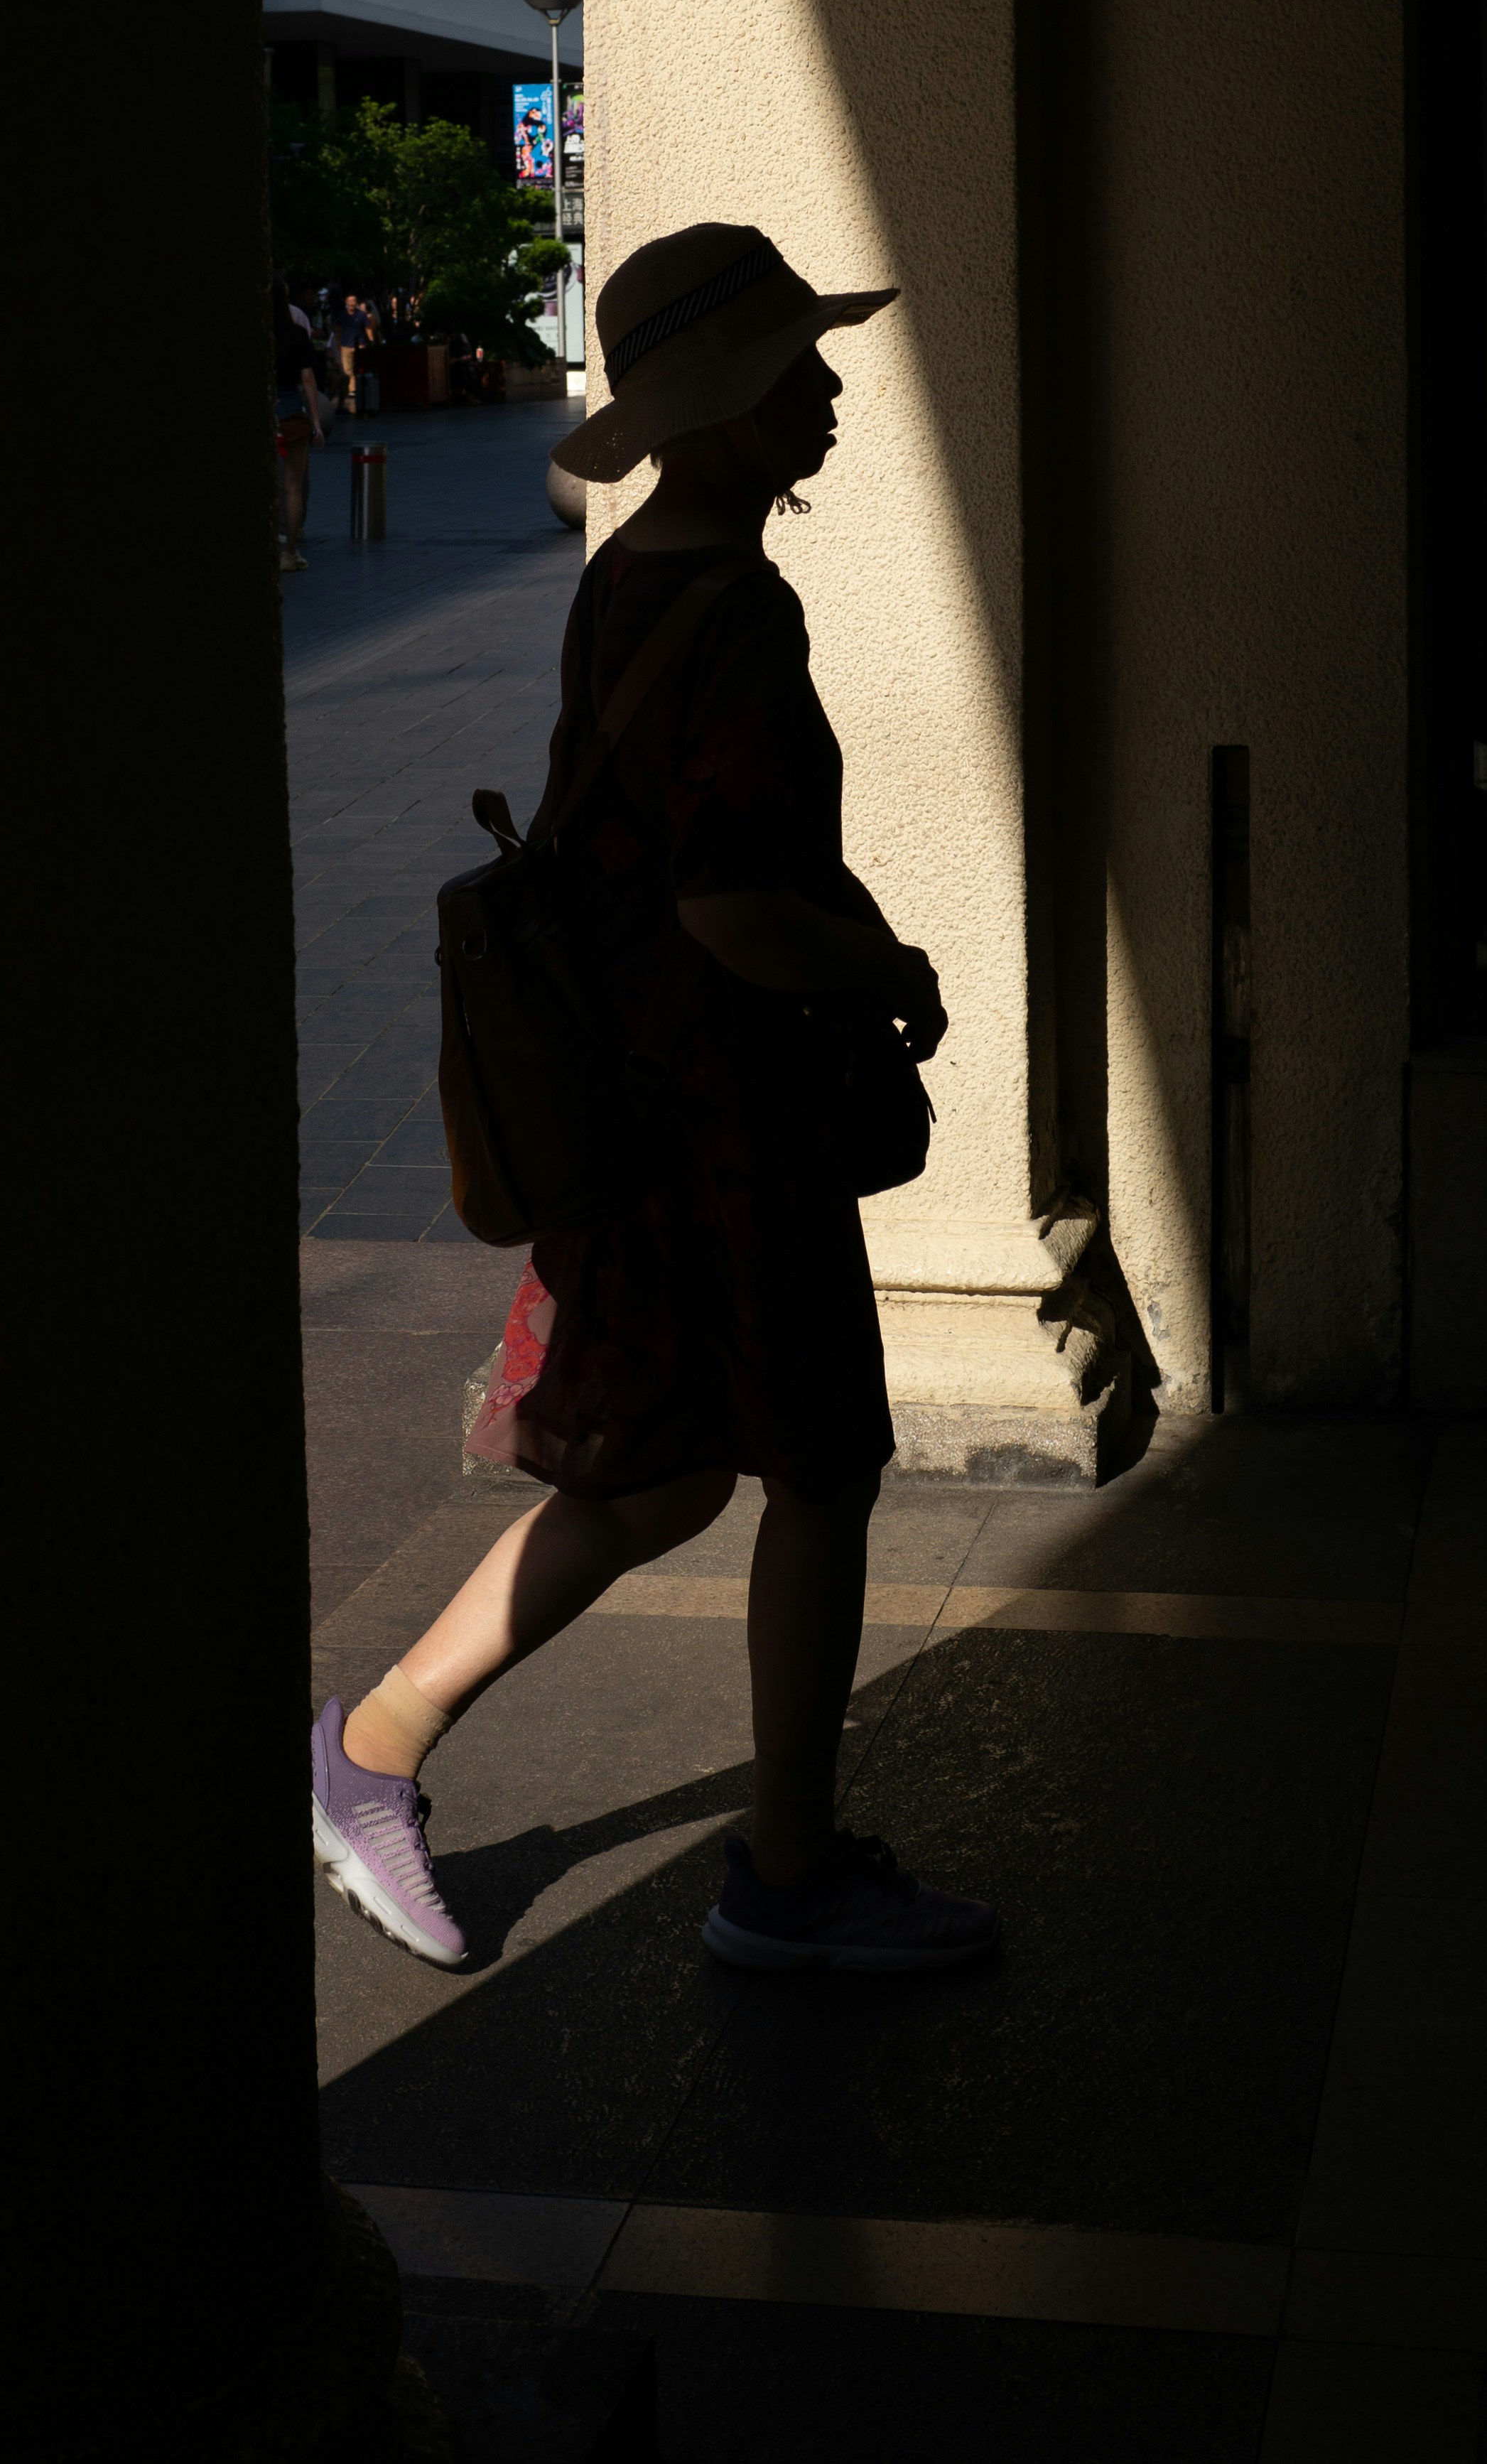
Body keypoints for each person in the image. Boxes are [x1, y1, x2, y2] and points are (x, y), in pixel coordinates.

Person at [309, 220, 998, 1974]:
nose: (831, 391)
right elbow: (727, 902)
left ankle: (371, 1745)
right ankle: (783, 1873)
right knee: (819, 1469)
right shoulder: (735, 610)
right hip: (718, 1124)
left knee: (664, 1475)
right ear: (730, 405)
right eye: (798, 369)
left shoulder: (629, 579)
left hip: (637, 1116)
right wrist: (889, 968)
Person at [273, 276, 328, 570]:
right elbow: (308, 379)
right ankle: (290, 552)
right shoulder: (297, 333)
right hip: (291, 410)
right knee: (293, 486)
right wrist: (316, 422)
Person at [335, 283, 375, 416]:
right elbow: (338, 330)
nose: (352, 303)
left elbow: (368, 329)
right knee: (347, 370)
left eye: (354, 301)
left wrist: (372, 341)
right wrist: (338, 342)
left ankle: (357, 389)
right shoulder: (342, 315)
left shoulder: (362, 315)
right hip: (346, 344)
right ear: (347, 302)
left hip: (360, 344)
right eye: (350, 301)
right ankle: (352, 390)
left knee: (359, 368)